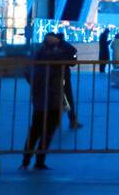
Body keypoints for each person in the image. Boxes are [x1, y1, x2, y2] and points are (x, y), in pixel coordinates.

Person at [22, 33, 64, 169]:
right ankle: (39, 160)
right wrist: (61, 42)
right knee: (47, 131)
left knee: (35, 130)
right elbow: (72, 54)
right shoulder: (55, 55)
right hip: (52, 99)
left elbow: (27, 72)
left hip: (40, 99)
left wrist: (35, 86)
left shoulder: (36, 55)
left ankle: (26, 160)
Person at [54, 32, 81, 128]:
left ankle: (53, 121)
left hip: (51, 76)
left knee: (52, 98)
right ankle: (72, 121)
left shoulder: (49, 46)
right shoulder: (69, 47)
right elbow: (73, 62)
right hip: (64, 75)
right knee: (68, 97)